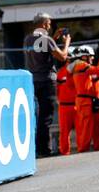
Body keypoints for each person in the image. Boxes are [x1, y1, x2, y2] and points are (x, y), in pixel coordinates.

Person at [25, 13, 70, 158]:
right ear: (44, 24)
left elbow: (41, 50)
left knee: (37, 115)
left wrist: (54, 38)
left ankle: (38, 148)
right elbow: (62, 57)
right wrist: (67, 42)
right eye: (49, 24)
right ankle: (44, 149)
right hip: (46, 80)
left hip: (34, 80)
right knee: (46, 116)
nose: (50, 26)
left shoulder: (28, 39)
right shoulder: (46, 39)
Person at [70, 45, 99, 153]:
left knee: (87, 125)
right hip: (84, 101)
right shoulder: (81, 65)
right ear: (84, 56)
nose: (92, 58)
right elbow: (98, 70)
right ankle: (83, 149)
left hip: (85, 100)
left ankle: (87, 147)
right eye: (90, 56)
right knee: (85, 126)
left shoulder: (80, 66)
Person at [55, 53, 78, 156]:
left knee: (82, 129)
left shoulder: (78, 70)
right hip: (64, 106)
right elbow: (56, 88)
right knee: (64, 131)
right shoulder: (60, 72)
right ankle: (65, 152)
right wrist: (58, 100)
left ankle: (82, 149)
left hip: (77, 104)